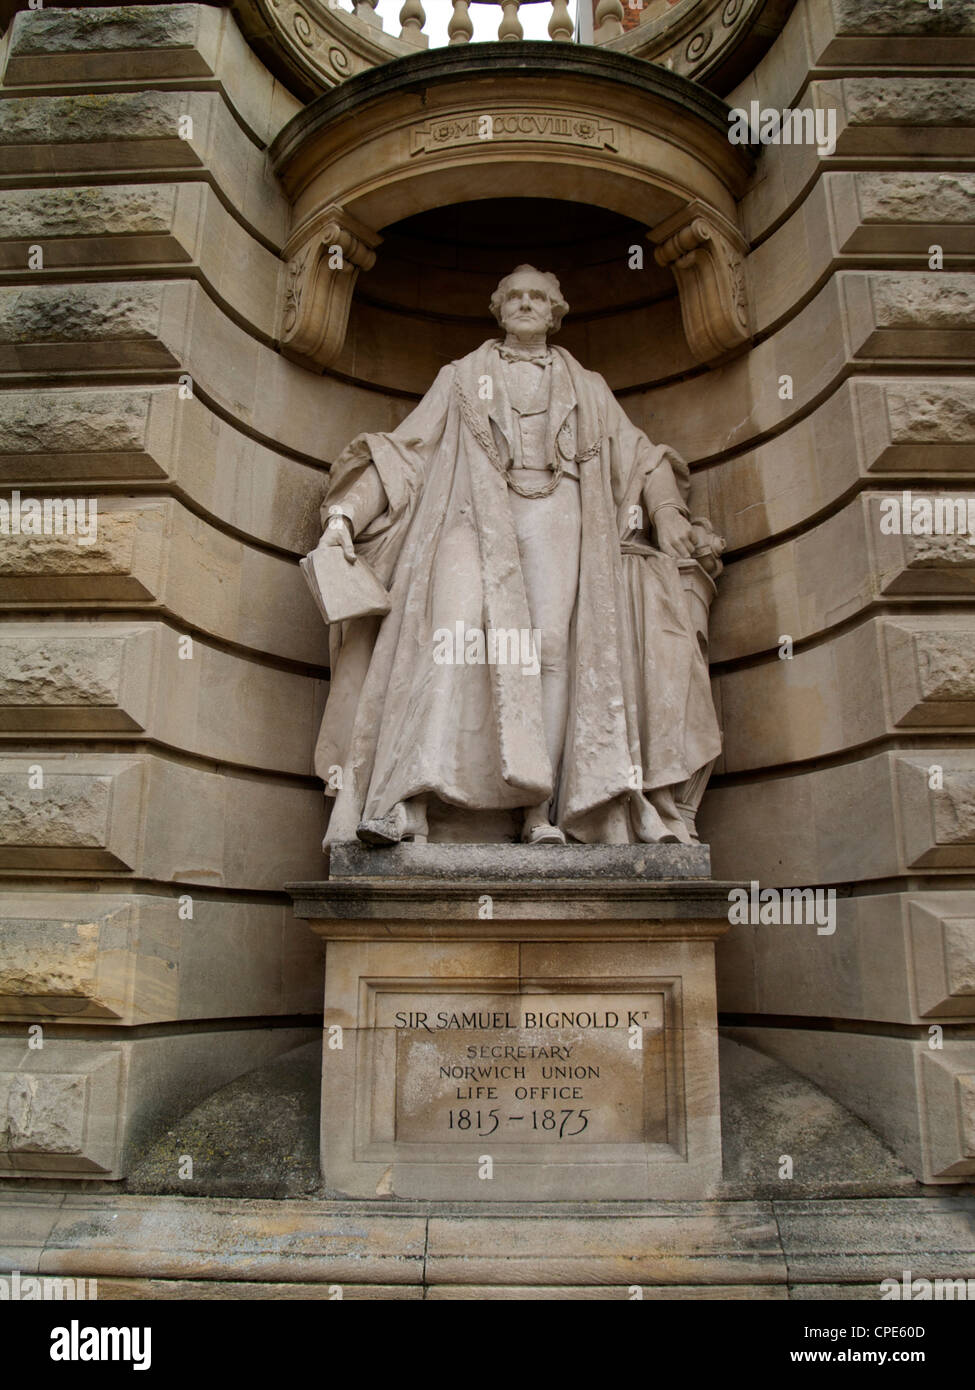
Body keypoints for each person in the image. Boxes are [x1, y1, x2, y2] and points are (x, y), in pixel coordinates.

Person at [314, 265, 722, 847]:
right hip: (471, 513)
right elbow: (402, 455)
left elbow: (639, 458)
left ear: (556, 312)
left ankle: (540, 810)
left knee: (550, 654)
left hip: (560, 513)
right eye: (514, 297)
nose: (526, 305)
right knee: (447, 637)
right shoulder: (460, 378)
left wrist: (668, 513)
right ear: (497, 309)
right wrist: (345, 516)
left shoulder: (590, 387)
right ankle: (409, 799)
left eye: (538, 297)